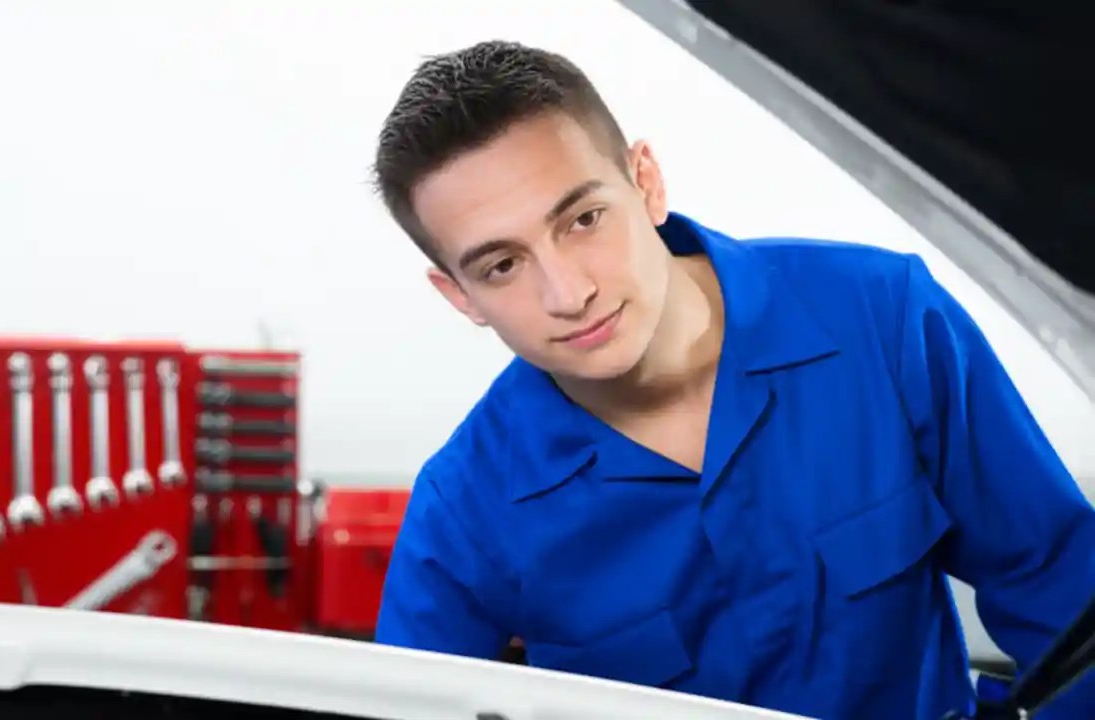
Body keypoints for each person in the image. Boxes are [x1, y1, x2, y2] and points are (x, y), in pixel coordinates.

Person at [367, 39, 1095, 719]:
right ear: (459, 295)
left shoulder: (883, 321)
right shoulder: (465, 514)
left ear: (645, 182)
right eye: (502, 265)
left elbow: (1059, 589)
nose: (567, 292)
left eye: (584, 218)